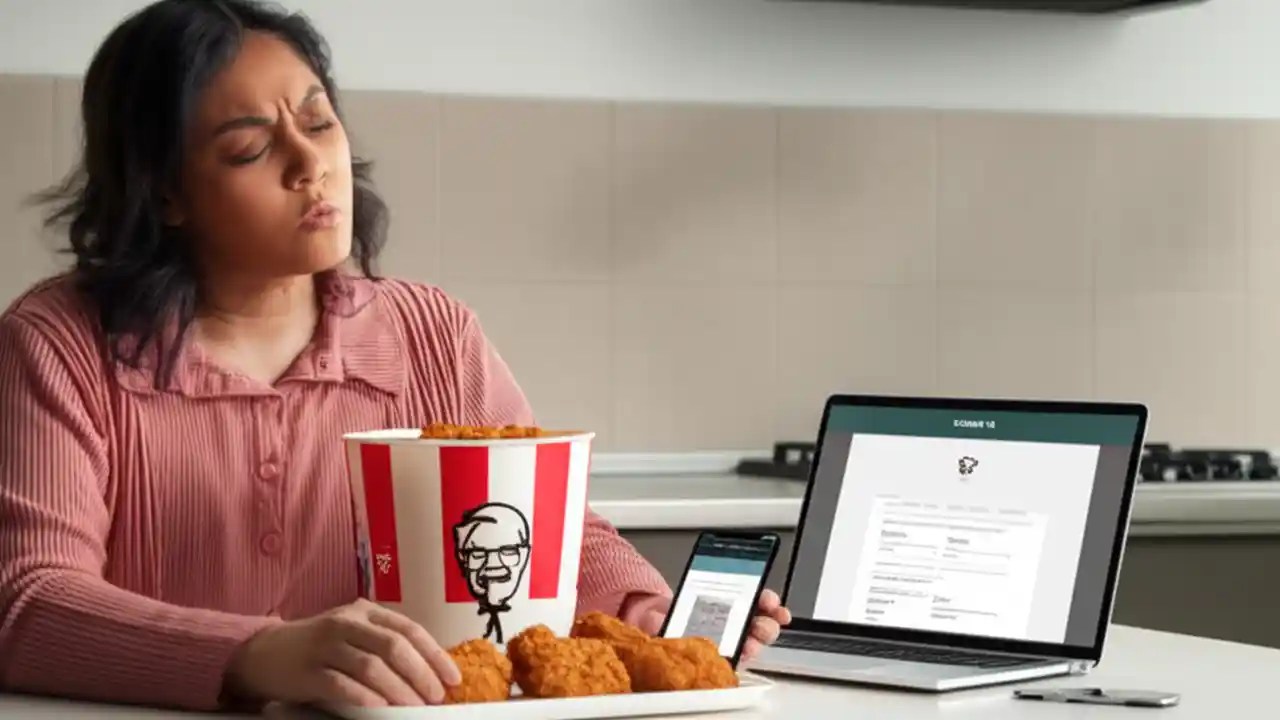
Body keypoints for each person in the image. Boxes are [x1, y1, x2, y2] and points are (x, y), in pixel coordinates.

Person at [0, 0, 791, 712]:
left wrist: (651, 616)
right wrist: (260, 654)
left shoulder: (434, 335)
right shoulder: (57, 345)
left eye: (318, 123)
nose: (310, 165)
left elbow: (554, 533)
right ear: (164, 192)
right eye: (250, 149)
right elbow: (26, 601)